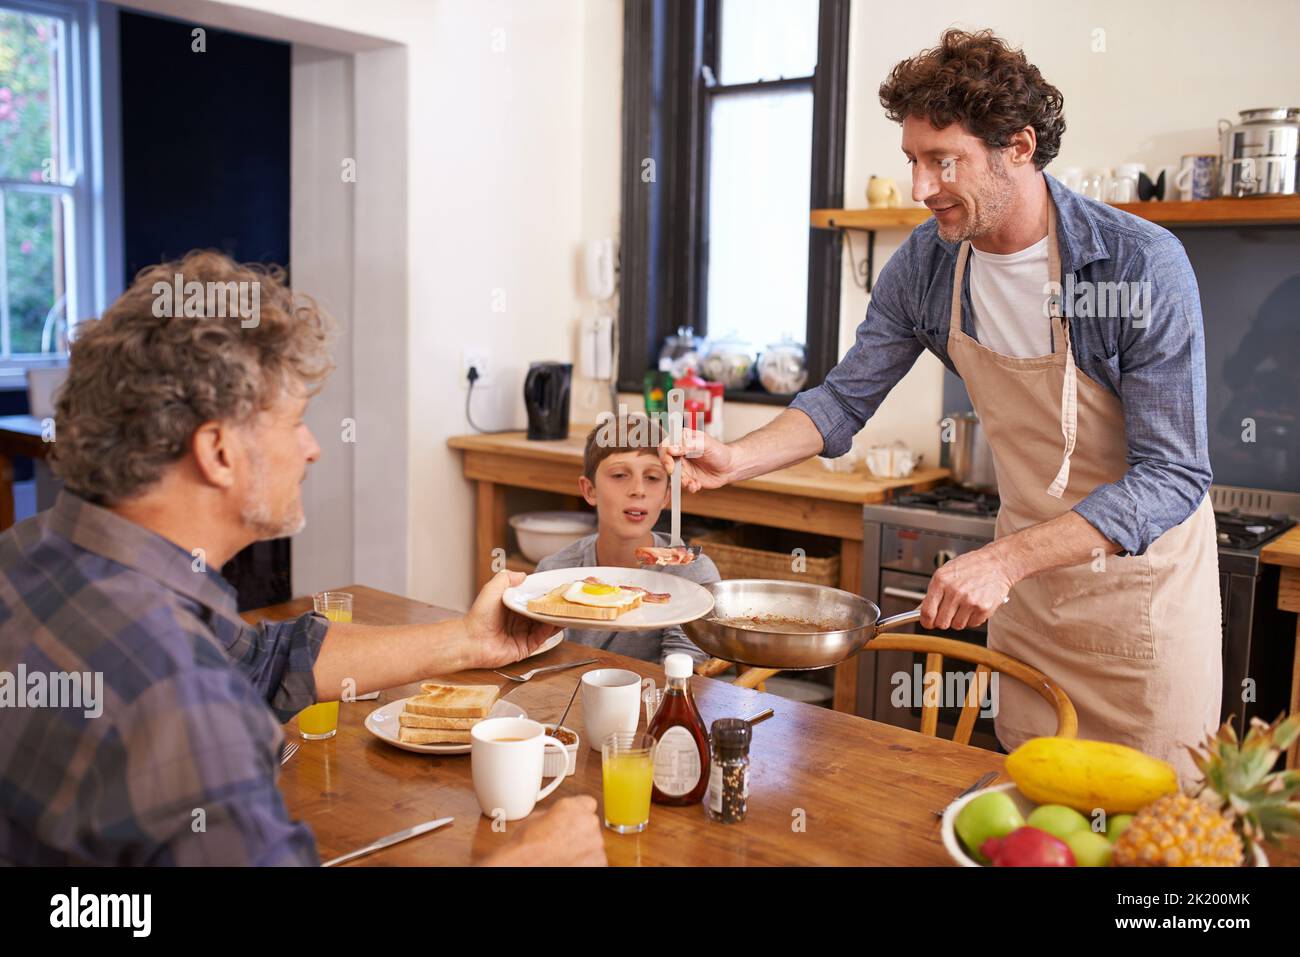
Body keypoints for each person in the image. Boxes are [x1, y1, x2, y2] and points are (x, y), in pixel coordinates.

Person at [661, 29, 1221, 785]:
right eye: (913, 162)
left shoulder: (1136, 265)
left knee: (1149, 843)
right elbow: (840, 398)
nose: (922, 187)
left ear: (1018, 146)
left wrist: (1005, 559)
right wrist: (737, 457)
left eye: (942, 160)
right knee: (1031, 819)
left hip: (1142, 607)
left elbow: (1173, 474)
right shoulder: (928, 264)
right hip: (1031, 600)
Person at [0, 250, 605, 865]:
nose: (313, 449)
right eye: (295, 422)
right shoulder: (185, 705)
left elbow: (260, 663)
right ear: (218, 452)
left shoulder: (30, 551)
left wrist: (467, 642)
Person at [535, 416, 716, 665]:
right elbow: (546, 659)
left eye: (652, 478)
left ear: (666, 496)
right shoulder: (554, 571)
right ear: (590, 490)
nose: (638, 489)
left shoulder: (692, 573)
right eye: (620, 475)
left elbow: (682, 672)